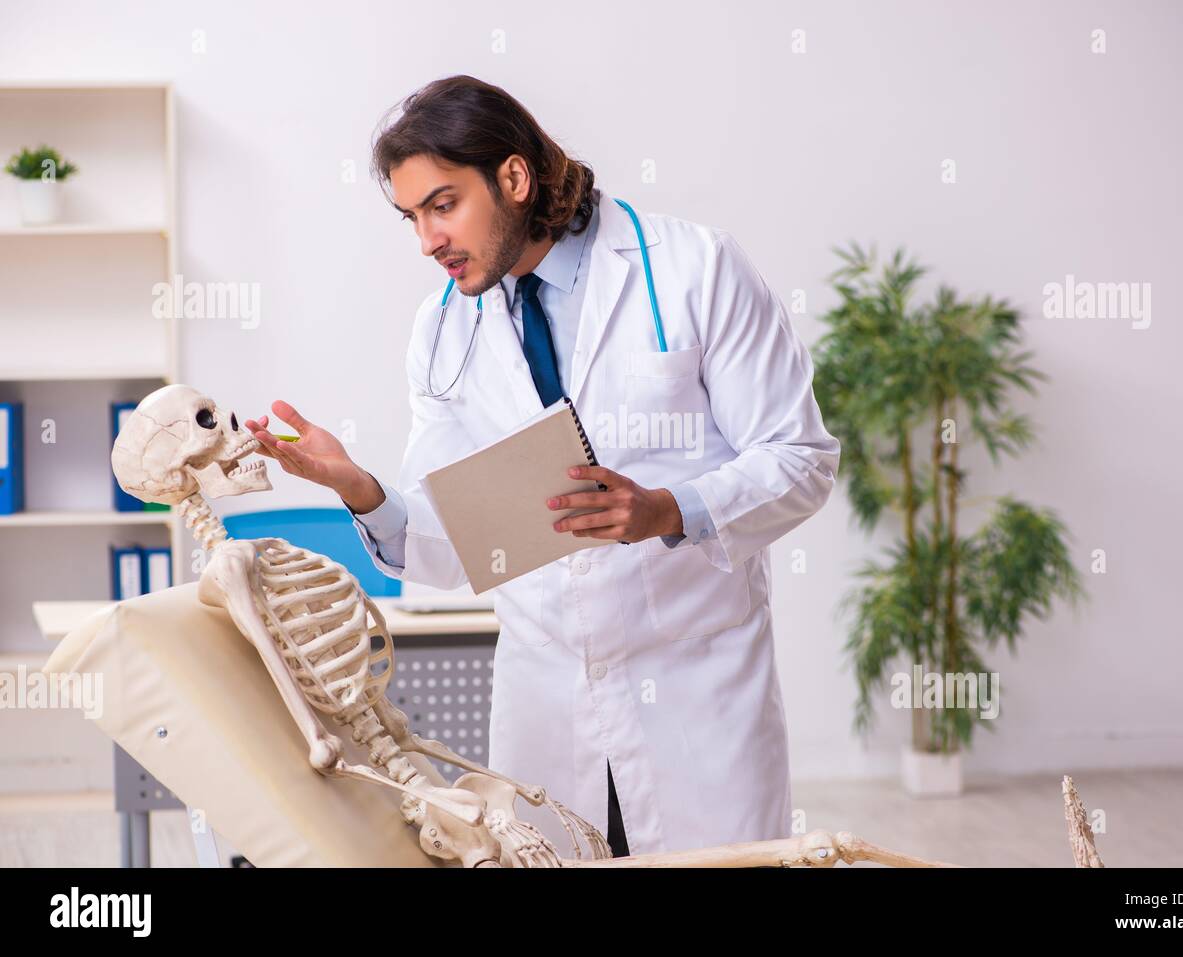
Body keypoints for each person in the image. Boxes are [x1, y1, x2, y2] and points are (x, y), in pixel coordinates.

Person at [246, 74, 840, 857]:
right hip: (549, 703)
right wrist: (361, 488)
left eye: (443, 204)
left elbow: (801, 460)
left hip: (700, 701)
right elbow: (453, 543)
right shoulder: (442, 330)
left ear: (515, 178)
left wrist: (668, 509)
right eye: (412, 217)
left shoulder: (694, 269)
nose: (427, 240)